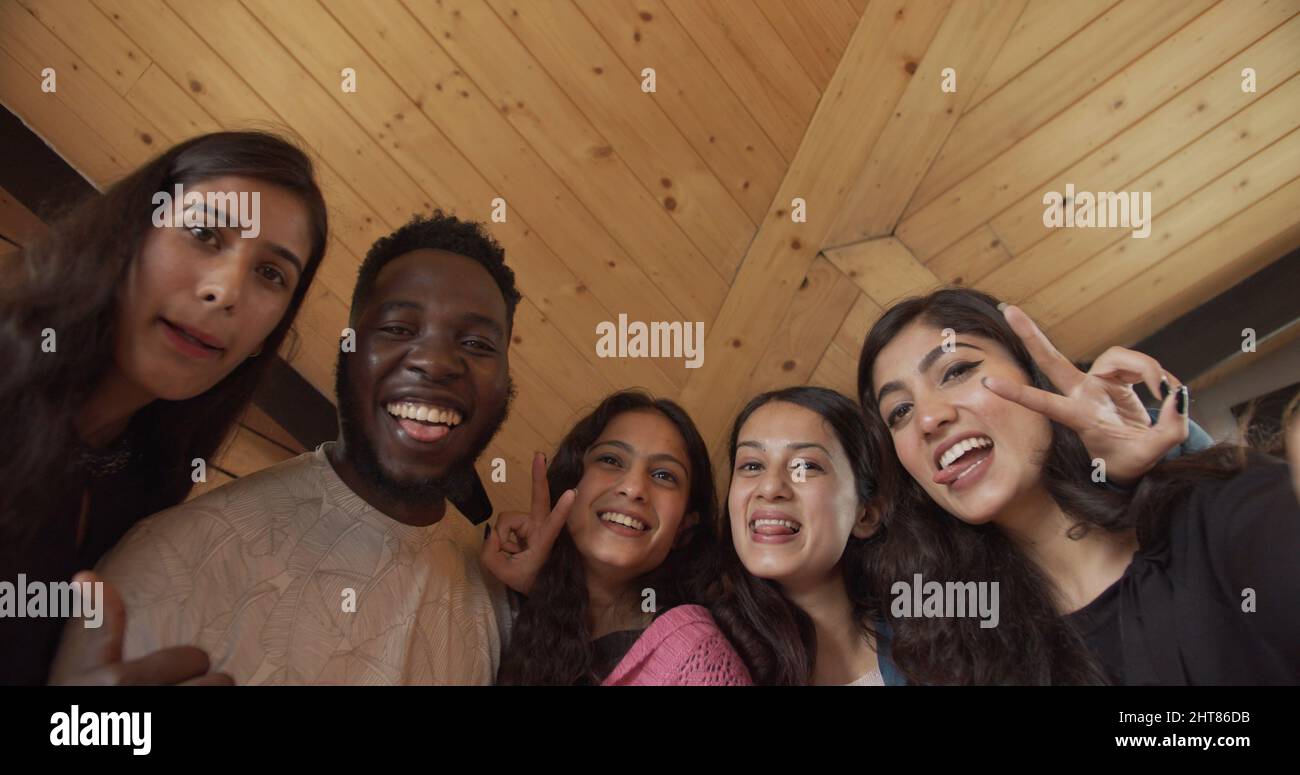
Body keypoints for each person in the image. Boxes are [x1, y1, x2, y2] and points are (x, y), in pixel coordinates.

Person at [52, 211, 521, 685]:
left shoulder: (497, 592)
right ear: (348, 350)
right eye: (398, 329)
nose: (436, 362)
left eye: (478, 343)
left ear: (505, 379)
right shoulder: (174, 560)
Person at [0, 130, 329, 685]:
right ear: (129, 233)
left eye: (271, 274)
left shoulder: (149, 485)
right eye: (203, 233)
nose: (226, 291)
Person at [859, 287, 1300, 684]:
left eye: (956, 371)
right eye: (899, 412)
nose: (929, 419)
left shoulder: (1213, 515)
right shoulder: (950, 653)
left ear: (1037, 376)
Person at [482, 391, 750, 685]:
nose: (633, 487)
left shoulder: (701, 665)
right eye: (610, 460)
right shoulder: (521, 602)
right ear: (573, 483)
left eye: (664, 475)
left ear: (684, 527)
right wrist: (536, 586)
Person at [708, 386, 901, 686]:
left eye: (806, 466)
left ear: (866, 514)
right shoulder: (700, 655)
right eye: (752, 465)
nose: (770, 487)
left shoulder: (938, 639)